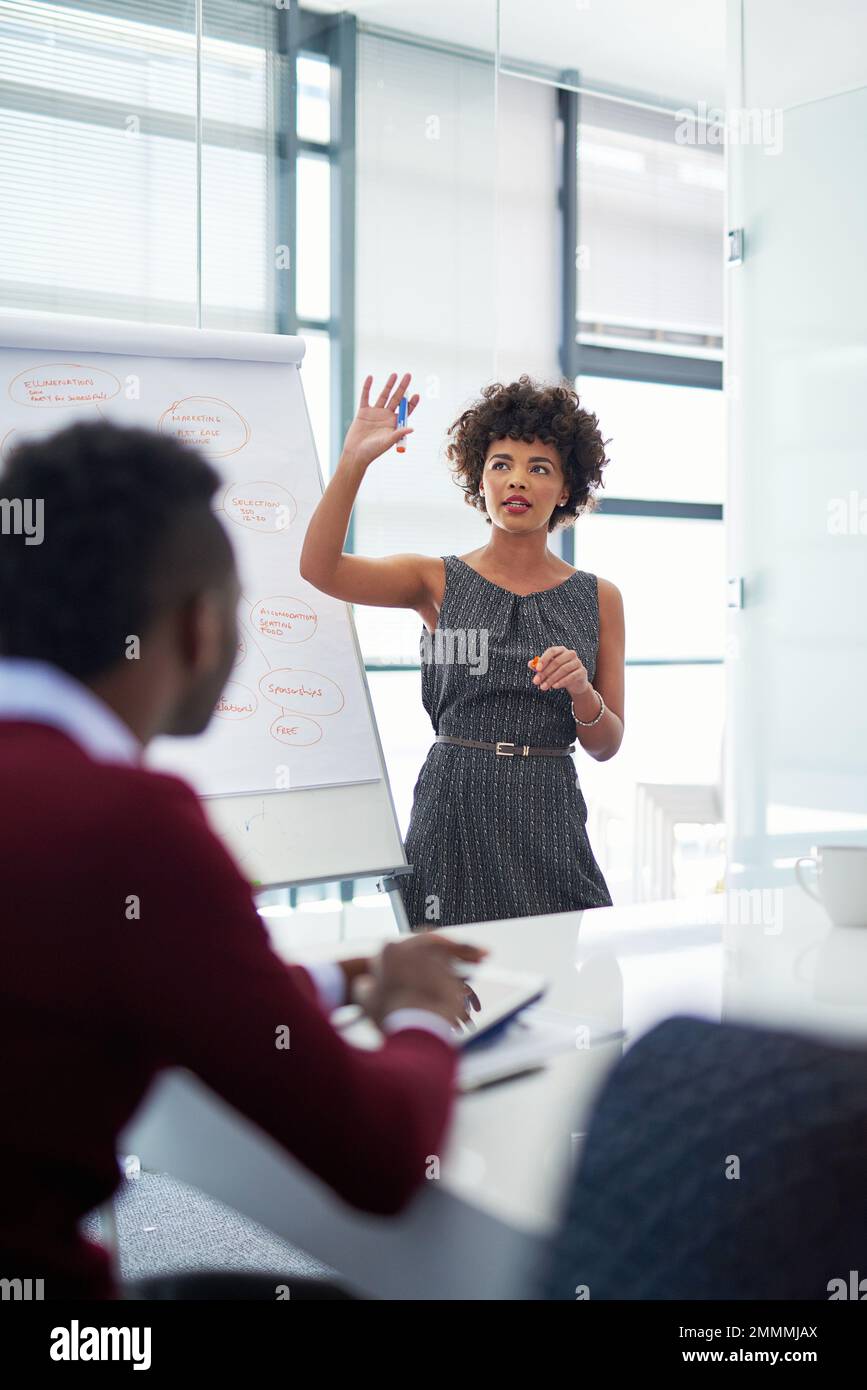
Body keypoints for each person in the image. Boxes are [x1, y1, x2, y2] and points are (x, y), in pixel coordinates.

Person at [0, 419, 485, 1300]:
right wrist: (417, 1014)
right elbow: (381, 1160)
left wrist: (346, 979)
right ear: (198, 627)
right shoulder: (128, 829)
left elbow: (161, 990)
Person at [300, 372, 625, 929]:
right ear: (481, 478)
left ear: (566, 489)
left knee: (566, 983)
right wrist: (354, 461)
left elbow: (606, 745)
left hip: (547, 812)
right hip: (453, 807)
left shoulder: (599, 597)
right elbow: (320, 568)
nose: (516, 480)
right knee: (448, 993)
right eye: (501, 464)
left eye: (538, 467)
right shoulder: (436, 580)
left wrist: (581, 691)